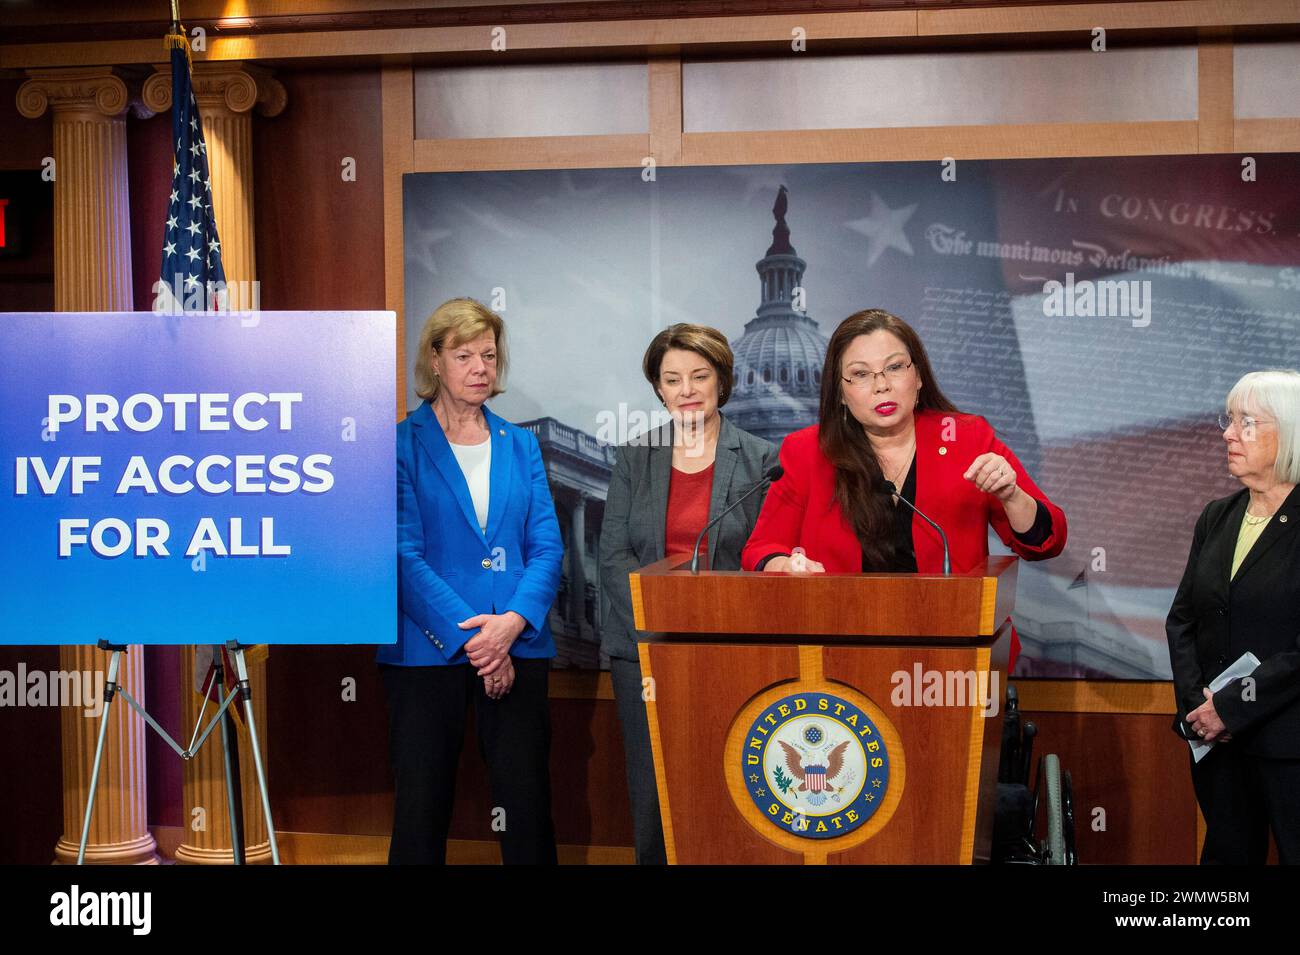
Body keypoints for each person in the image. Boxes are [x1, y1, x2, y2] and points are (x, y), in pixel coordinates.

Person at [740, 308, 1067, 669]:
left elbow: (1045, 542)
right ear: (840, 393)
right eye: (860, 375)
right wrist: (785, 564)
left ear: (919, 376)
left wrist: (1012, 495)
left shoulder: (966, 437)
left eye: (895, 368)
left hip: (951, 656)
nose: (882, 385)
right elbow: (761, 549)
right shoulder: (807, 451)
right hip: (839, 651)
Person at [380, 297, 563, 865]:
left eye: (489, 354)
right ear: (434, 360)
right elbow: (400, 555)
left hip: (517, 644)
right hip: (426, 654)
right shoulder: (400, 443)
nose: (481, 367)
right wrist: (478, 642)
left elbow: (547, 547)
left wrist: (508, 627)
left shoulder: (521, 444)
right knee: (420, 810)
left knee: (526, 807)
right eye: (464, 355)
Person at [599, 323, 777, 864]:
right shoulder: (636, 457)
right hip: (644, 648)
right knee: (654, 791)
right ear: (658, 388)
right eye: (672, 379)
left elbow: (764, 557)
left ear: (722, 381)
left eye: (700, 376)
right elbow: (612, 557)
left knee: (728, 785)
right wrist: (662, 622)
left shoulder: (763, 460)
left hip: (730, 648)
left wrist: (710, 622)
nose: (687, 389)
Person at [1166, 369, 1300, 864]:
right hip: (1216, 742)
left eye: (1246, 423)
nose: (1227, 433)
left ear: (1287, 433)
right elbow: (1182, 620)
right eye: (1230, 420)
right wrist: (1199, 710)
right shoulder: (1217, 516)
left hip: (1287, 745)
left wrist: (1232, 705)